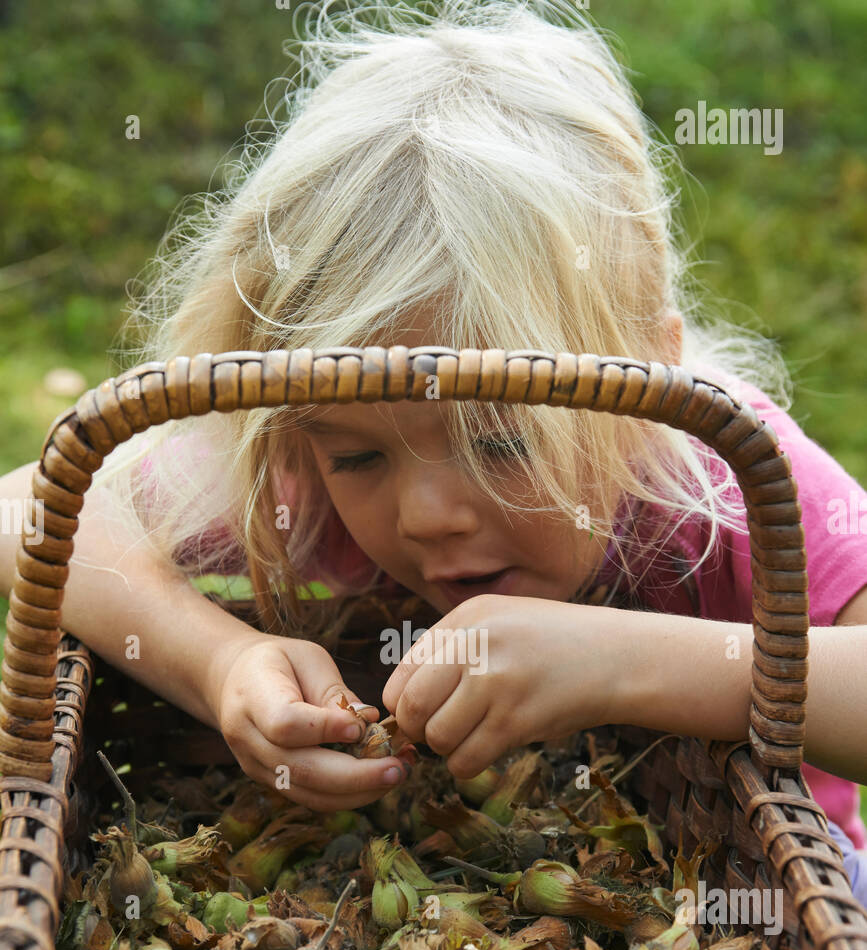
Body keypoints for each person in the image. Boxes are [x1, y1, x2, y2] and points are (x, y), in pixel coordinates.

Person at [1, 1, 866, 903]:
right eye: (361, 459)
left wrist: (630, 663)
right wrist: (215, 660)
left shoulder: (720, 480)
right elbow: (29, 510)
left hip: (788, 901)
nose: (426, 515)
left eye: (500, 440)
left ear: (644, 376)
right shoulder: (304, 478)